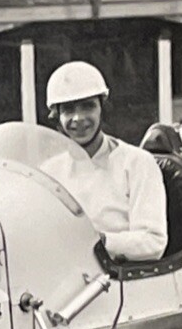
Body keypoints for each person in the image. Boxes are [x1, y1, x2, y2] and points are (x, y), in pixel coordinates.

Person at [38, 61, 167, 263]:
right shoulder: (49, 172)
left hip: (120, 276)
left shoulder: (137, 163)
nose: (78, 118)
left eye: (88, 106)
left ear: (102, 108)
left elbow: (153, 243)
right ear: (57, 116)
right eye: (68, 110)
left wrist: (99, 241)